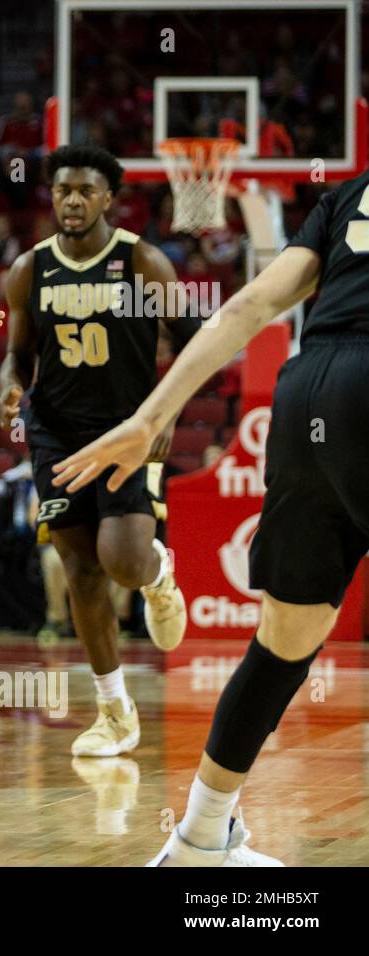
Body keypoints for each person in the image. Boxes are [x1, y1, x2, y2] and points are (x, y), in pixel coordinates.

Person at [51, 167, 369, 867]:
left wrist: (149, 417)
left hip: (308, 388)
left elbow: (248, 307)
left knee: (286, 639)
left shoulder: (348, 194)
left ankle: (199, 834)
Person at [0, 145, 197, 758]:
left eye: (86, 190)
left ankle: (159, 578)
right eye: (63, 191)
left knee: (123, 562)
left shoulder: (142, 262)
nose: (73, 201)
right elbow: (19, 353)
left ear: (110, 197)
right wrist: (9, 386)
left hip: (126, 430)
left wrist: (162, 415)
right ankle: (114, 713)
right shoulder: (30, 270)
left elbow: (193, 348)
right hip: (56, 433)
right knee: (80, 571)